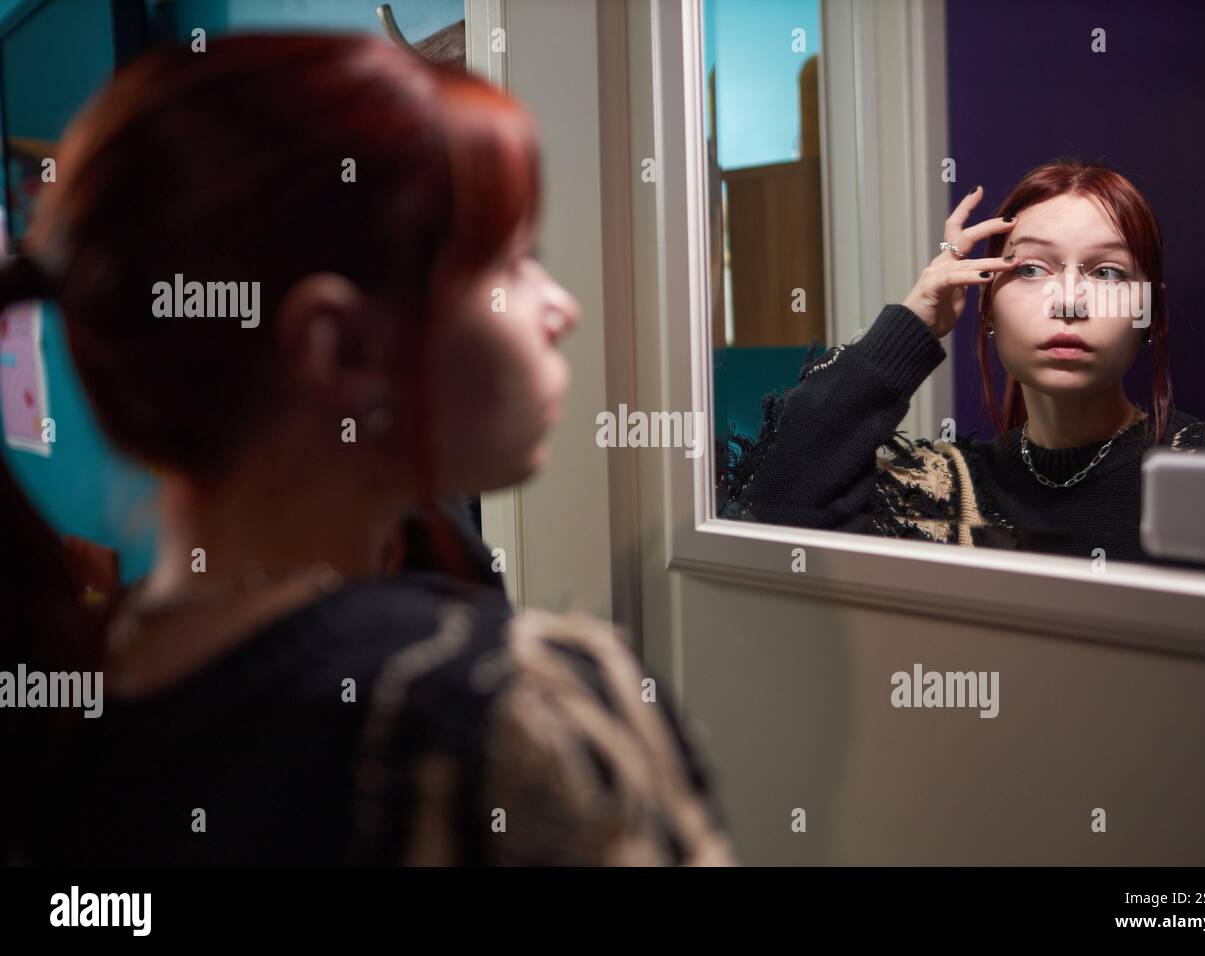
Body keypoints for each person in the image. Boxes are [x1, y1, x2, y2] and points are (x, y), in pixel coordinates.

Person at [0, 33, 733, 865]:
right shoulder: (513, 715)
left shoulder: (75, 704)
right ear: (338, 350)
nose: (561, 306)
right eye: (511, 260)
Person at [718, 159, 1205, 574]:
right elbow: (778, 496)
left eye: (1107, 274)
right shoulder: (941, 492)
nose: (1069, 302)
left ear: (1150, 314)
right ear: (985, 306)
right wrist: (914, 323)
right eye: (1032, 269)